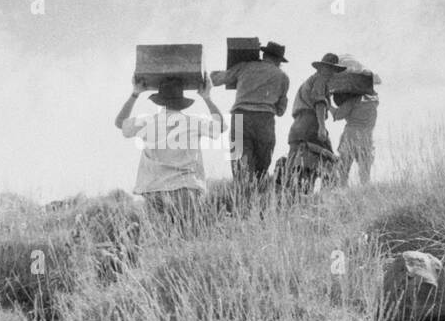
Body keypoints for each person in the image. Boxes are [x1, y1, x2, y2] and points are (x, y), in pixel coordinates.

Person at [115, 75, 223, 227]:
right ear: (182, 102)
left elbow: (120, 123)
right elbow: (221, 126)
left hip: (154, 190)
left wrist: (135, 93)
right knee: (187, 238)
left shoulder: (147, 122)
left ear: (160, 101)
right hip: (186, 189)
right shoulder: (193, 122)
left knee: (159, 241)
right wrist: (207, 97)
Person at [209, 41, 289, 184]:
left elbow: (215, 80)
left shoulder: (244, 66)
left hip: (240, 118)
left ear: (264, 54)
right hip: (265, 121)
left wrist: (214, 73)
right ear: (278, 60)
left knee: (241, 168)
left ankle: (242, 198)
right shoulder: (282, 77)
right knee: (260, 170)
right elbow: (281, 111)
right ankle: (255, 199)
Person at [285, 52, 345, 193]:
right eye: (331, 70)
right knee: (328, 163)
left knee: (300, 166)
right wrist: (322, 127)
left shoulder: (309, 81)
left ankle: (297, 198)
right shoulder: (321, 80)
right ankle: (327, 199)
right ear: (324, 69)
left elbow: (320, 101)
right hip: (310, 125)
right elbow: (319, 103)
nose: (332, 74)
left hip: (297, 127)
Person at [331, 55, 380, 185]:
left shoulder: (353, 100)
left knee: (343, 171)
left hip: (351, 135)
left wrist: (327, 104)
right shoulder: (374, 99)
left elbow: (337, 115)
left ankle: (343, 194)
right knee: (365, 173)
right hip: (367, 136)